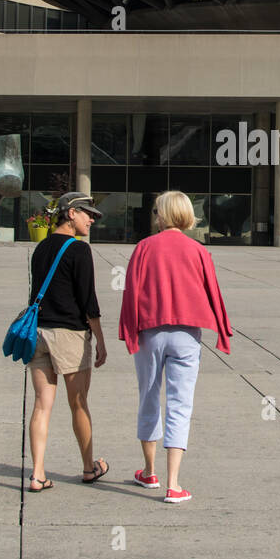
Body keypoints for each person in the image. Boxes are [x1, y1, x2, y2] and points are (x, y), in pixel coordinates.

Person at [119, 191, 233, 504]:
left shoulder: (144, 247)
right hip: (187, 334)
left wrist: (128, 330)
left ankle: (149, 471)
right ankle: (173, 484)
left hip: (150, 333)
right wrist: (222, 330)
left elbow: (131, 292)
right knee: (180, 404)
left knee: (148, 397)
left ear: (161, 214)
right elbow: (213, 292)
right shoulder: (197, 250)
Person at [26, 192, 109, 493]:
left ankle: (37, 474)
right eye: (88, 213)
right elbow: (89, 301)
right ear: (71, 213)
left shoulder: (41, 248)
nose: (91, 220)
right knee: (78, 404)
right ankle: (89, 468)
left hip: (38, 333)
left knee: (41, 406)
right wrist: (100, 340)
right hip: (69, 335)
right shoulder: (79, 251)